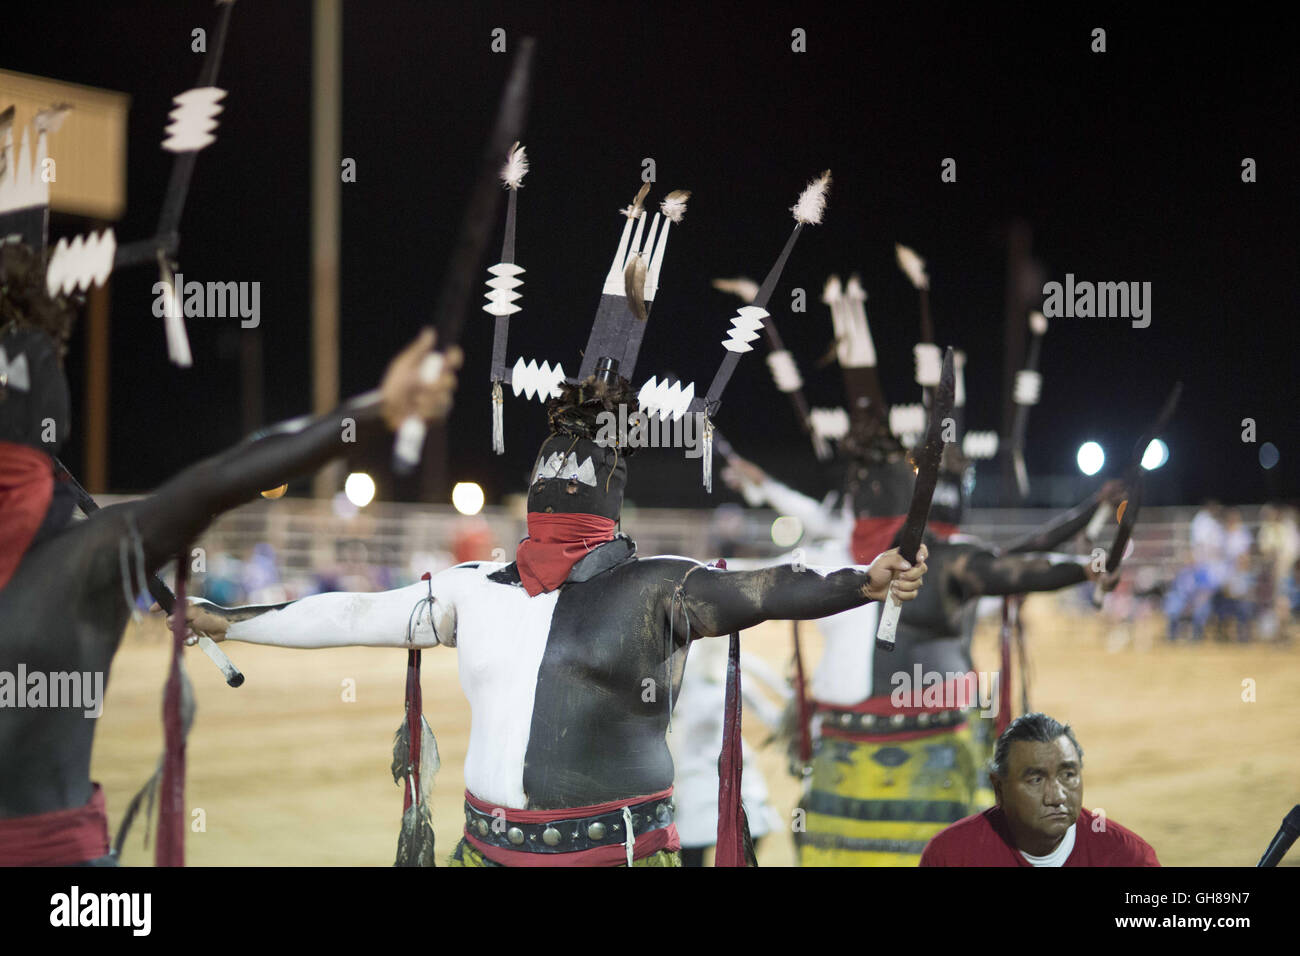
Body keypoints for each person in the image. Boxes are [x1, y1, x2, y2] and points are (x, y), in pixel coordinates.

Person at [0, 234, 460, 865]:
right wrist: (375, 410)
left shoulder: (93, 552)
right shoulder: (97, 551)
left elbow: (222, 480)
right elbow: (219, 480)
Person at [918, 712, 1158, 867]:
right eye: (1036, 779)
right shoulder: (950, 857)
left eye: (1068, 775)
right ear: (998, 788)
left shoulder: (1128, 859)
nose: (1057, 796)